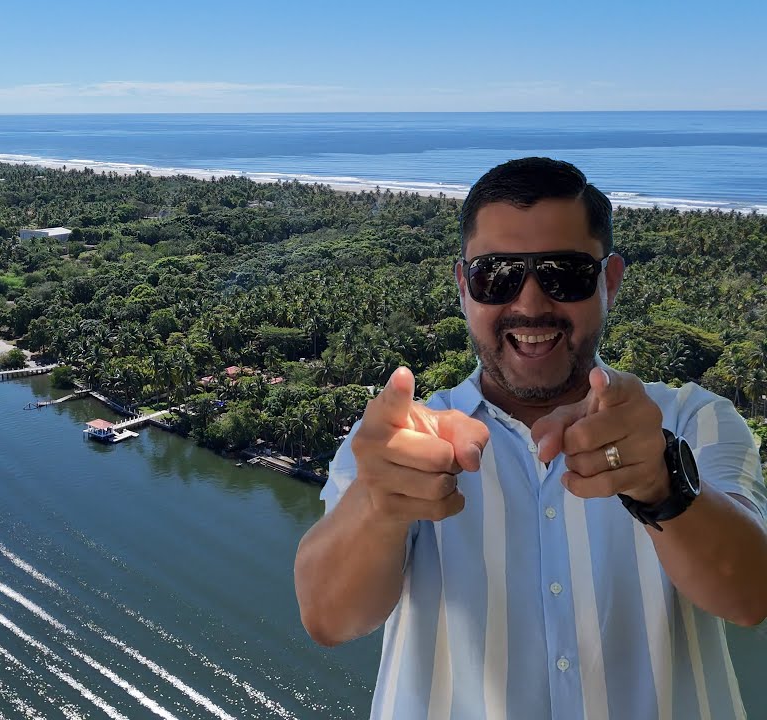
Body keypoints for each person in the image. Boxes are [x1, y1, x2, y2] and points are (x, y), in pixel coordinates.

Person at [294, 157, 767, 719]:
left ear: (609, 281)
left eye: (565, 273)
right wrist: (380, 506)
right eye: (497, 275)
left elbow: (749, 595)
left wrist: (664, 483)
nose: (530, 303)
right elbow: (328, 617)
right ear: (463, 287)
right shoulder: (400, 442)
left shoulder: (694, 421)